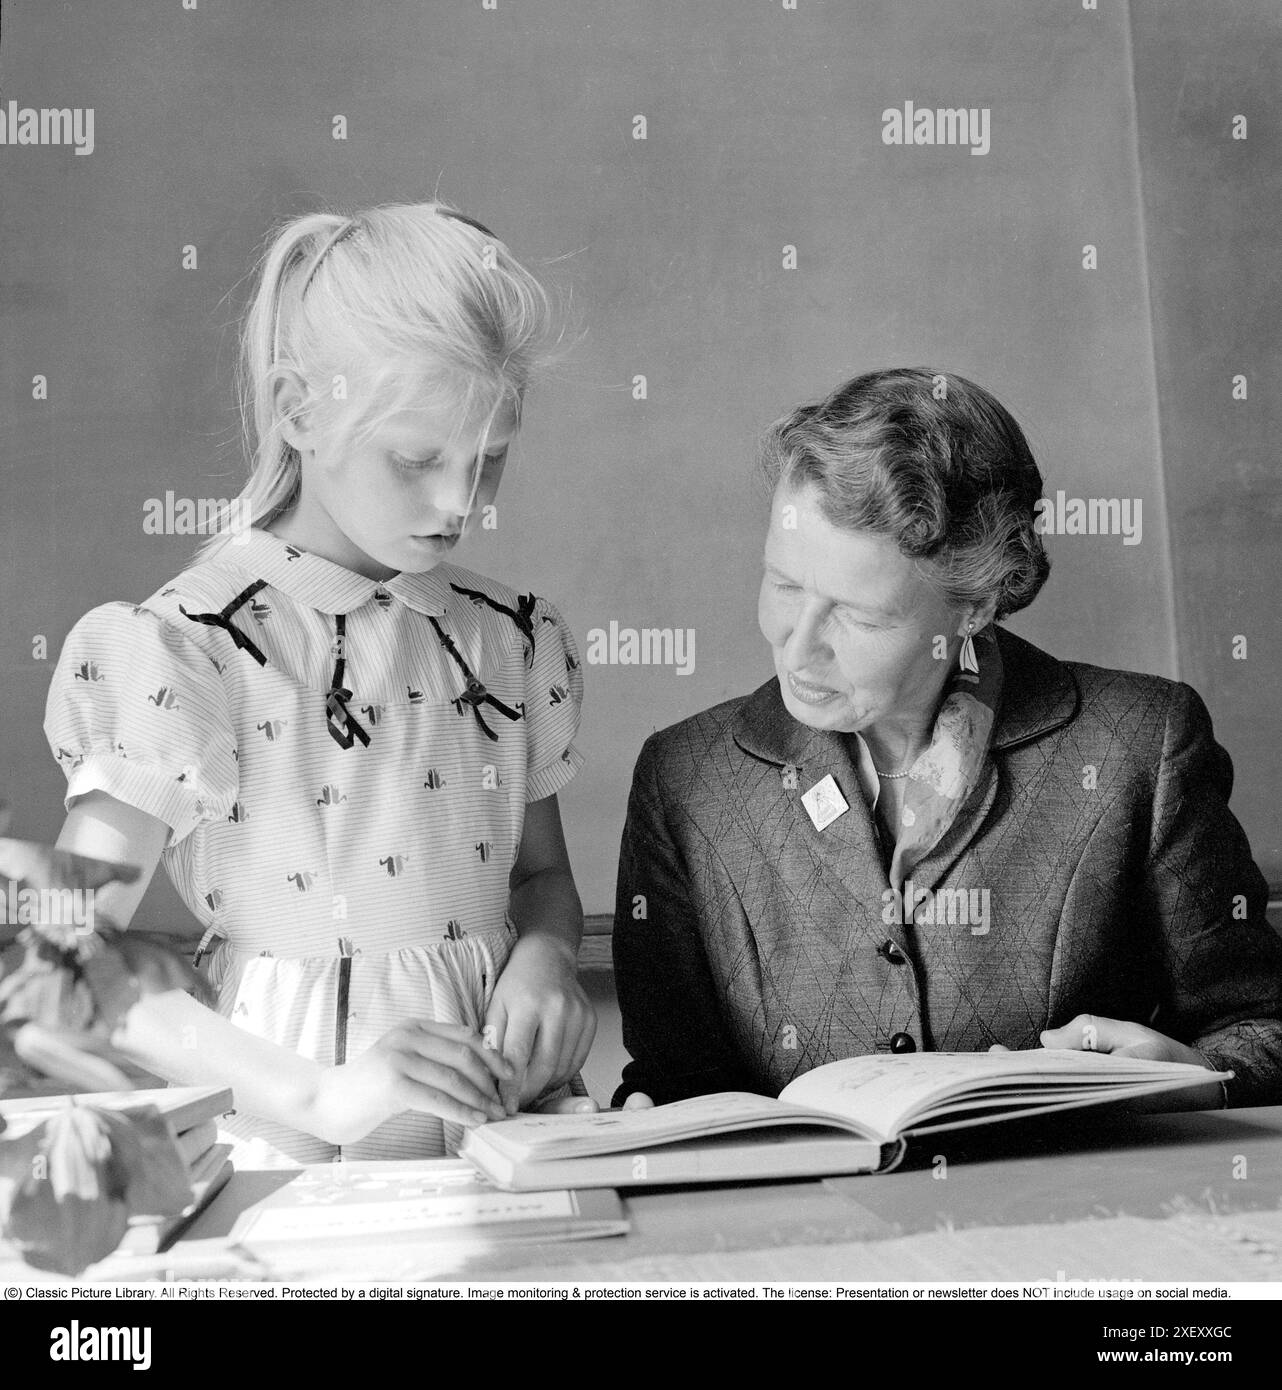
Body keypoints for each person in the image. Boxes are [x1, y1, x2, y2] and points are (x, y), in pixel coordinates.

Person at [45, 202, 596, 1164]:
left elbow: (540, 876)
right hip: (287, 1145)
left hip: (501, 1134)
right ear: (300, 410)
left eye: (490, 458)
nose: (460, 502)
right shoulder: (187, 646)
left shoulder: (508, 638)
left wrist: (548, 954)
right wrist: (324, 1096)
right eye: (417, 459)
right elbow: (58, 957)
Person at [612, 367, 1282, 1112]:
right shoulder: (684, 778)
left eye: (859, 617)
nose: (797, 648)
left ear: (975, 606)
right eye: (785, 585)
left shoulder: (1142, 744)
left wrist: (1193, 1074)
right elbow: (672, 1084)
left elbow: (1261, 1030)